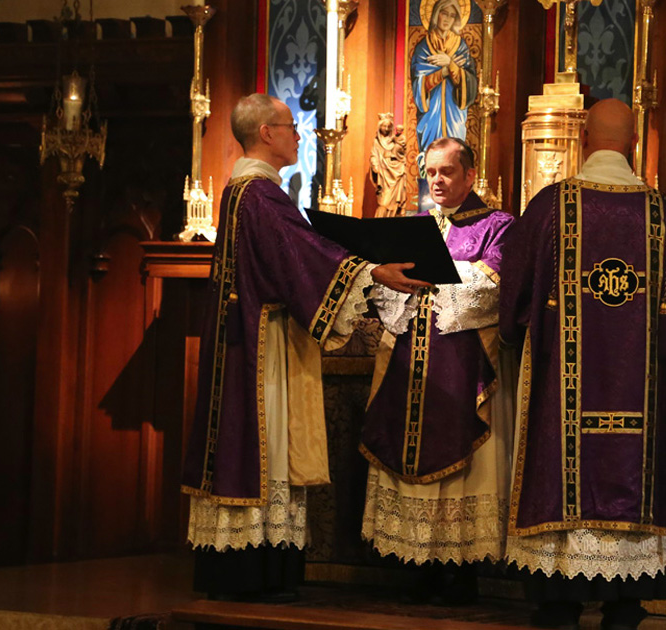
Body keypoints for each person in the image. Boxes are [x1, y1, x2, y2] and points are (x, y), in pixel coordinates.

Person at [180, 93, 426, 604]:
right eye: (291, 126)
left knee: (265, 451)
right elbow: (301, 253)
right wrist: (373, 270)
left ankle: (259, 570)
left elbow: (297, 252)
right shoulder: (260, 195)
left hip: (259, 333)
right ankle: (256, 572)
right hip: (262, 347)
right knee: (266, 451)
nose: (298, 135)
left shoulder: (246, 191)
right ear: (266, 133)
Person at [499, 99, 666, 630]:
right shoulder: (662, 214)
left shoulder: (549, 207)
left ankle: (558, 602)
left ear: (582, 137)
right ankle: (625, 604)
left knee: (559, 468)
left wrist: (518, 332)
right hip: (641, 390)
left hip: (560, 392)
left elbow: (513, 294)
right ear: (634, 141)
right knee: (640, 470)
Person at [360, 137, 514, 605]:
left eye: (447, 172)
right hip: (411, 364)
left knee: (465, 462)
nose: (437, 181)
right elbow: (385, 287)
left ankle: (462, 569)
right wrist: (386, 276)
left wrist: (436, 277)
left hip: (462, 369)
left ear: (470, 175)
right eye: (430, 172)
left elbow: (495, 286)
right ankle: (417, 567)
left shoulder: (497, 226)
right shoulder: (416, 227)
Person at [412, 0, 477, 162]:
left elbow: (470, 85)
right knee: (430, 155)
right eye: (444, 13)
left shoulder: (461, 47)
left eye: (452, 15)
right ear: (435, 15)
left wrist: (451, 64)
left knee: (455, 156)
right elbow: (419, 85)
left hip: (454, 111)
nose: (447, 19)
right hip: (431, 115)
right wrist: (445, 71)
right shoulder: (423, 48)